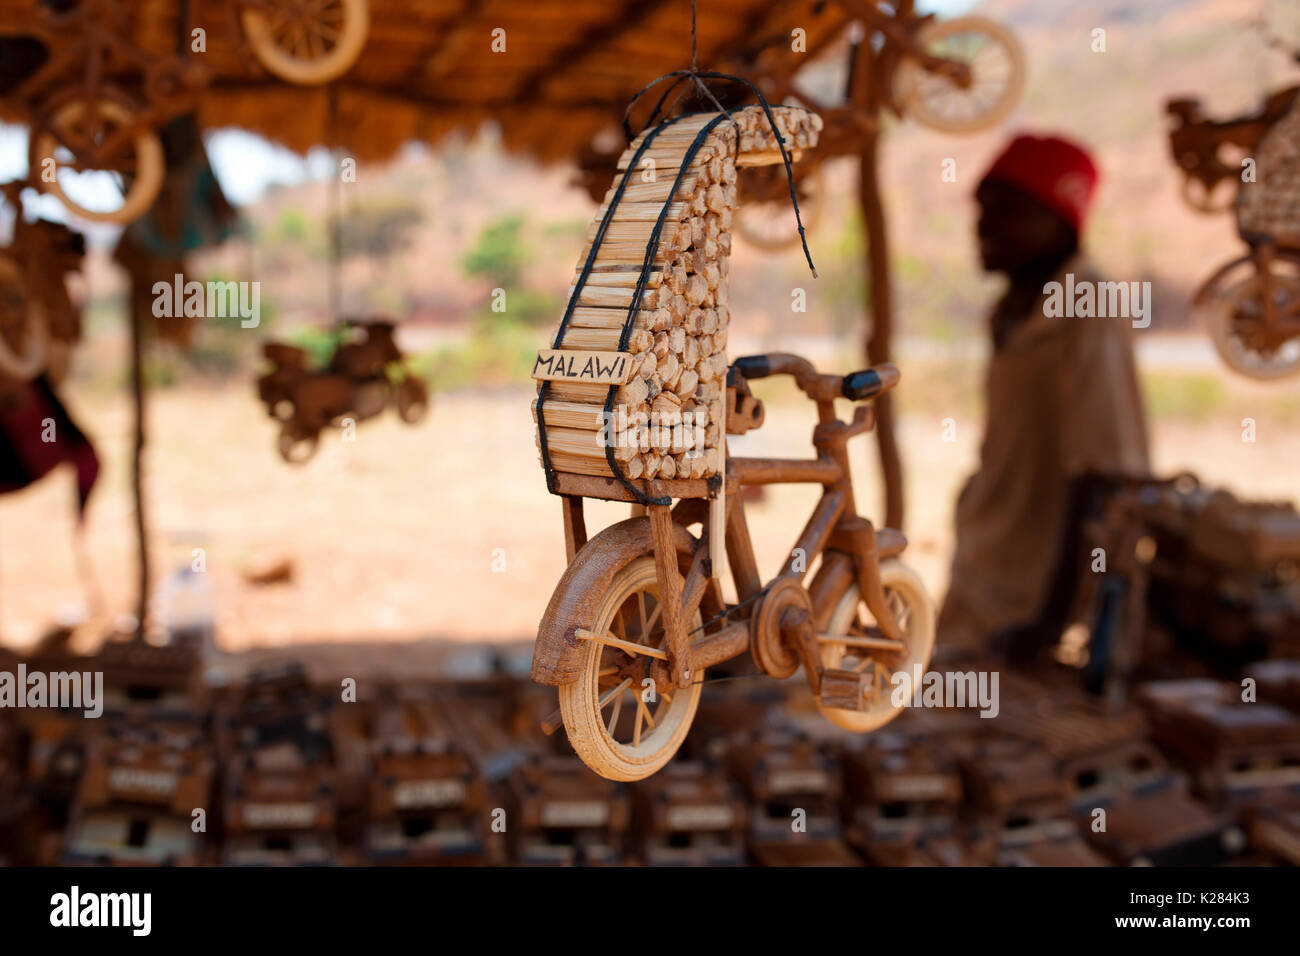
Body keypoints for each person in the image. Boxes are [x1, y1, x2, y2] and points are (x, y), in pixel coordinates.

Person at [937, 134, 1150, 657]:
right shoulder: (1011, 311)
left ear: (1060, 221)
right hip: (982, 573)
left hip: (1031, 606)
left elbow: (1106, 475)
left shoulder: (1090, 306)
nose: (984, 226)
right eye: (982, 209)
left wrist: (1052, 624)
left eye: (1007, 211)